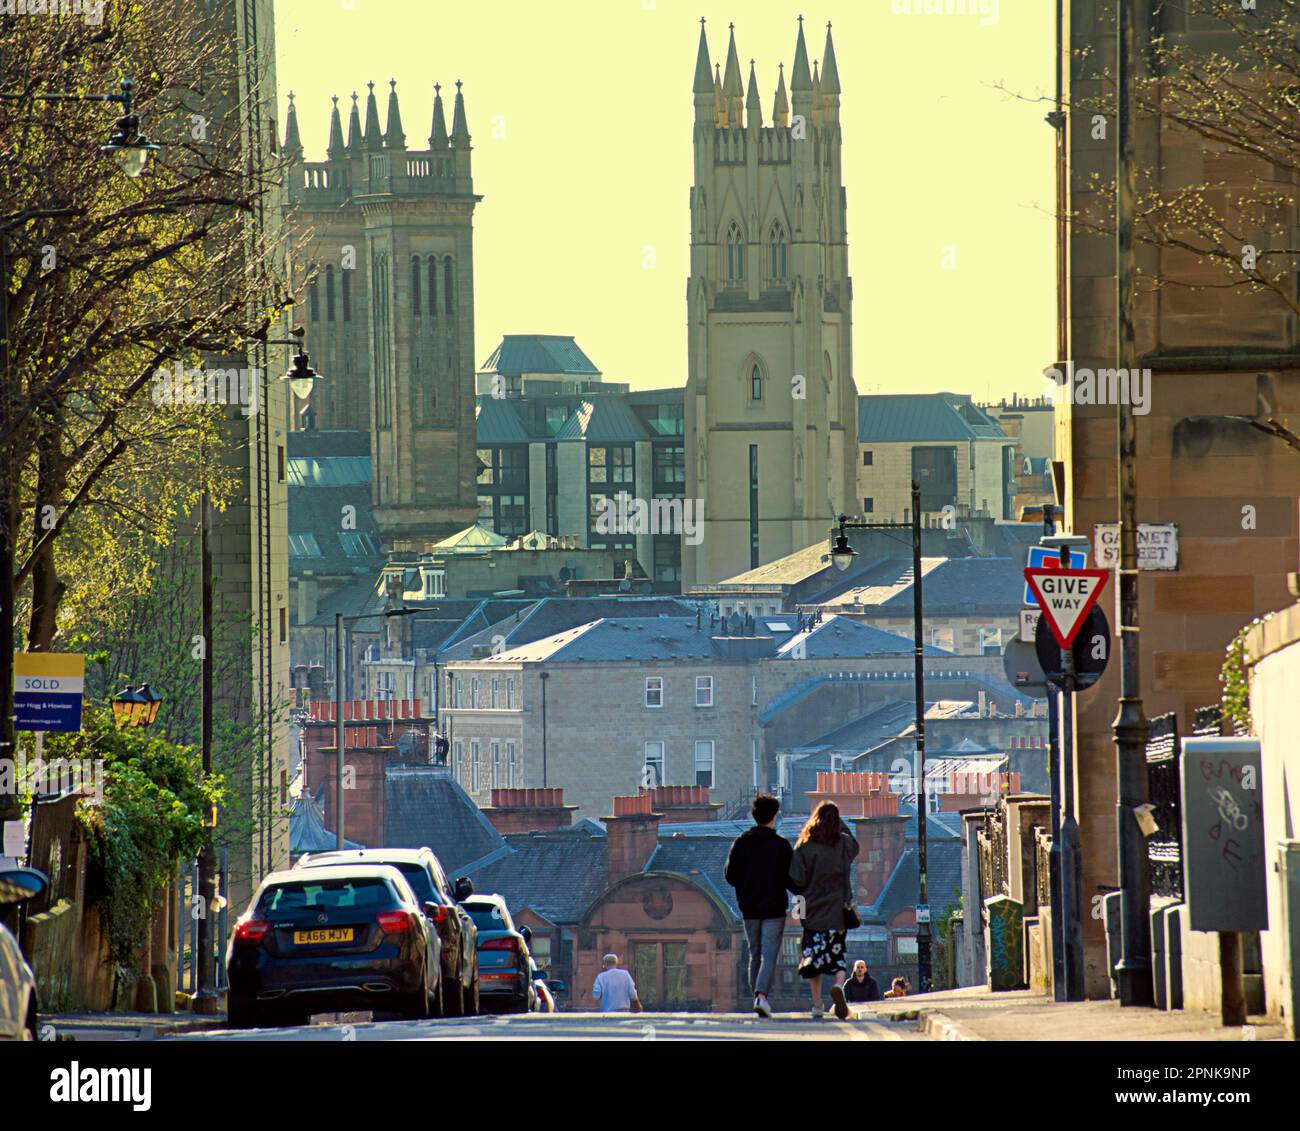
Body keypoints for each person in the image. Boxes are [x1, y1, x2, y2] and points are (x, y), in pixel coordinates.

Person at [724, 792, 794, 1019]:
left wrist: (747, 885)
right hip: (774, 907)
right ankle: (762, 996)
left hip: (749, 906)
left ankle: (757, 998)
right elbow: (792, 879)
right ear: (774, 817)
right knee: (770, 955)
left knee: (755, 954)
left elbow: (730, 876)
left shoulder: (741, 842)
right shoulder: (782, 845)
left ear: (754, 816)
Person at [789, 800, 860, 1020]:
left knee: (814, 960)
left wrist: (800, 903)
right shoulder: (843, 844)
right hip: (838, 910)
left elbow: (795, 878)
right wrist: (839, 823)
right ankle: (839, 986)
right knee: (837, 954)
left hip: (812, 911)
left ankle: (817, 1004)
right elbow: (855, 845)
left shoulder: (804, 847)